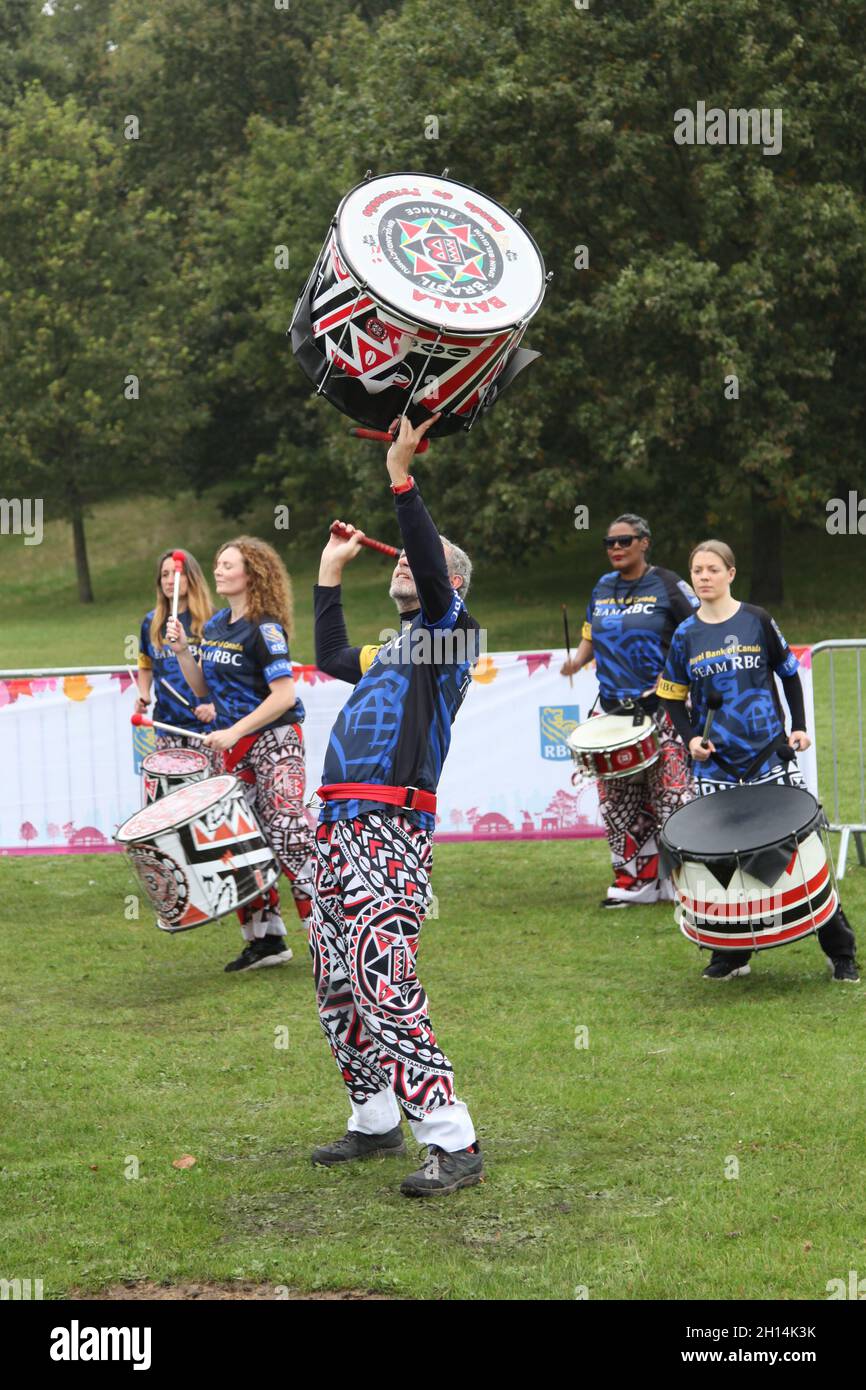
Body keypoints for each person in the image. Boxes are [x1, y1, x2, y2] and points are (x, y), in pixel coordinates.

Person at [307, 413, 483, 1198]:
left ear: (450, 584)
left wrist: (402, 480)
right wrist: (330, 574)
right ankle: (374, 1118)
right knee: (336, 982)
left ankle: (454, 1140)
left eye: (431, 563)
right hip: (336, 828)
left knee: (384, 981)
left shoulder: (452, 638)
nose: (414, 567)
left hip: (389, 830)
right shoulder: (396, 647)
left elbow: (433, 572)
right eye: (411, 562)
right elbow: (333, 657)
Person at [658, 538, 859, 982]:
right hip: (717, 768)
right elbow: (671, 696)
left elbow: (789, 674)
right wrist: (691, 739)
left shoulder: (757, 621)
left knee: (802, 854)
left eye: (713, 569)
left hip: (770, 758)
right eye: (697, 570)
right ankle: (732, 954)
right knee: (722, 865)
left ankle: (840, 950)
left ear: (731, 573)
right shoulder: (685, 635)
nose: (704, 577)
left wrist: (799, 726)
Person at [167, 537, 315, 973]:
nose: (218, 570)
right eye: (217, 563)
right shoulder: (214, 627)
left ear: (251, 574)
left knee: (289, 835)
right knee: (239, 844)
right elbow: (201, 689)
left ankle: (330, 941)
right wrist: (181, 651)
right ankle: (266, 942)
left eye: (228, 565)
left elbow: (284, 695)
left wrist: (233, 731)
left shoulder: (265, 628)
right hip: (234, 747)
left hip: (274, 741)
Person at [561, 514, 698, 906]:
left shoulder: (669, 585)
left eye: (624, 541)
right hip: (614, 711)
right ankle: (635, 882)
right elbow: (590, 631)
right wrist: (577, 661)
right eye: (610, 542)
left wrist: (679, 679)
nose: (616, 548)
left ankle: (684, 883)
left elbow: (698, 630)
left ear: (644, 543)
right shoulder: (602, 587)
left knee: (672, 797)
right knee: (618, 802)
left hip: (662, 710)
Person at [135, 549, 218, 765]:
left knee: (203, 793)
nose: (170, 580)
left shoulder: (213, 620)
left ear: (191, 577)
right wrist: (144, 694)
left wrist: (213, 706)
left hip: (206, 726)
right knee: (169, 794)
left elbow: (224, 674)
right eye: (164, 574)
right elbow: (145, 663)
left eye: (176, 573)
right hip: (166, 725)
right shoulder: (151, 622)